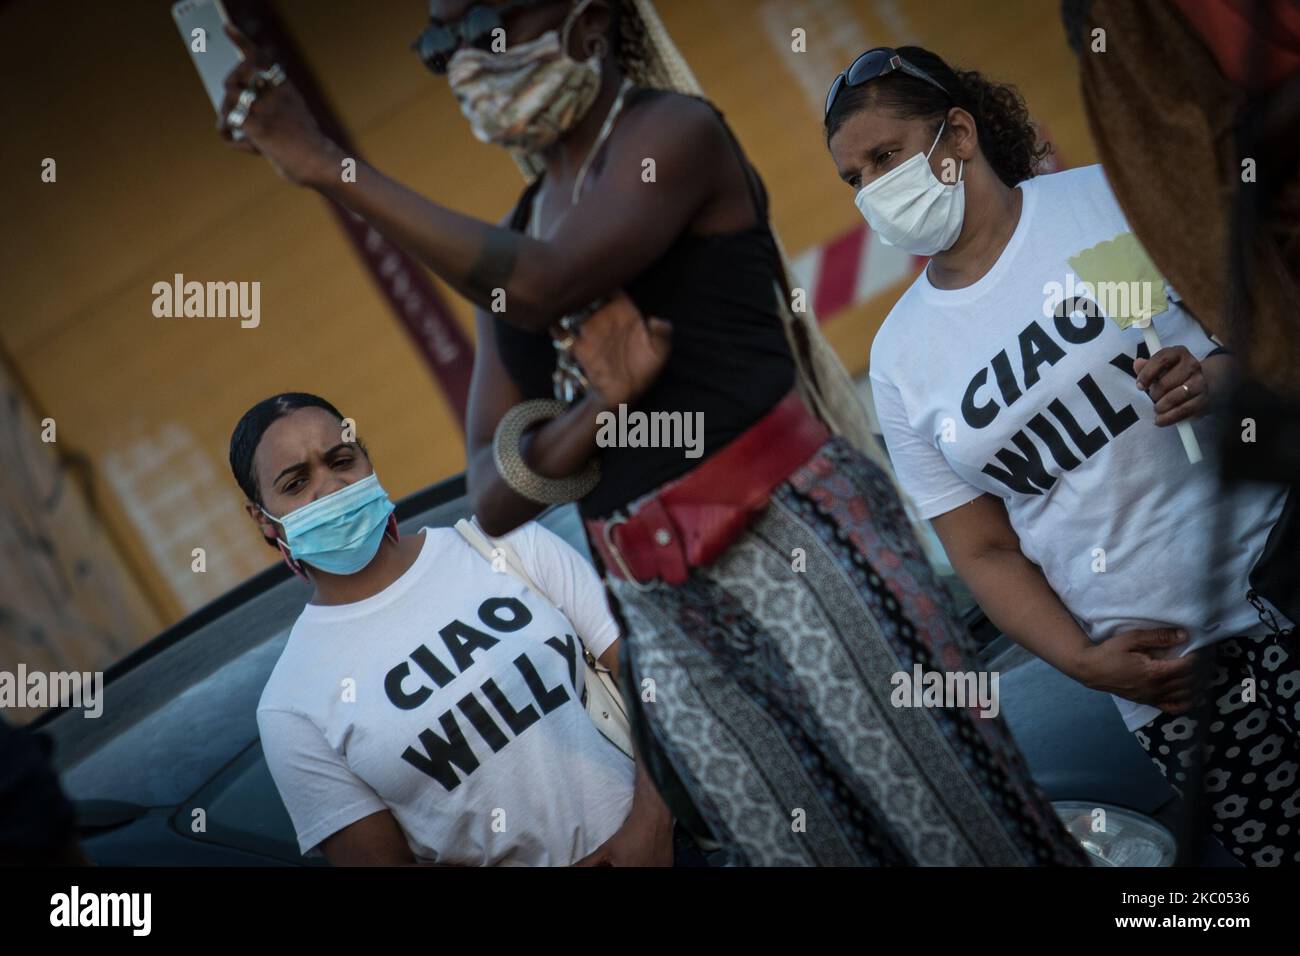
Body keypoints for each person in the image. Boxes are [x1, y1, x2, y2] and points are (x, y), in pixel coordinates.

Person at [218, 2, 1084, 865]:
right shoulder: (522, 227)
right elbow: (491, 489)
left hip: (788, 540)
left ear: (589, 24)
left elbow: (547, 286)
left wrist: (333, 168)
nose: (469, 59)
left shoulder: (671, 134)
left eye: (492, 21)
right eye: (441, 41)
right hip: (656, 598)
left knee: (955, 823)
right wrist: (600, 409)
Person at [829, 44, 1298, 865]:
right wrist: (1084, 662)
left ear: (959, 135)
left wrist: (1219, 376)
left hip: (1284, 573)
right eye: (854, 177)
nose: (873, 189)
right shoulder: (902, 358)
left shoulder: (1103, 203)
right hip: (1173, 681)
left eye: (885, 156)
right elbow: (981, 547)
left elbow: (1272, 326)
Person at [231, 392, 678, 866]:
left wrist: (650, 825)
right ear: (263, 519)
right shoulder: (290, 706)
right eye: (296, 483)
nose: (330, 488)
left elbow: (653, 680)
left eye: (341, 459)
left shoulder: (506, 545)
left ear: (366, 459)